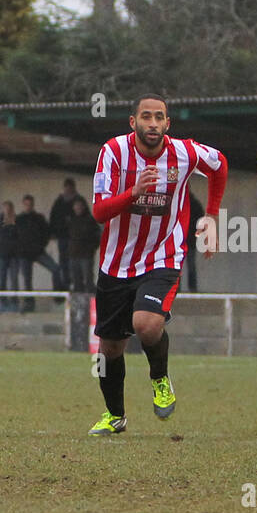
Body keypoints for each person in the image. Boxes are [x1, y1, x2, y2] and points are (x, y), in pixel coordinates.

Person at [87, 93, 226, 435]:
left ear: (167, 123)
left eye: (159, 117)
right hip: (116, 263)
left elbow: (219, 164)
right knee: (110, 347)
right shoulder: (113, 152)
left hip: (163, 254)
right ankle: (115, 415)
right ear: (133, 122)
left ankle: (160, 377)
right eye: (146, 117)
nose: (153, 123)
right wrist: (132, 193)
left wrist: (210, 215)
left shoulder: (184, 152)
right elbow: (100, 211)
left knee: (147, 324)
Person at [15, 194, 60, 304]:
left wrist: (41, 246)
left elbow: (46, 233)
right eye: (26, 204)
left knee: (55, 269)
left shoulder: (39, 218)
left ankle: (58, 298)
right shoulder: (19, 219)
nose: (28, 207)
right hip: (24, 254)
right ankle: (29, 303)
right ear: (23, 205)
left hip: (38, 252)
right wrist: (19, 249)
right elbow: (14, 236)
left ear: (33, 205)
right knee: (27, 280)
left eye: (30, 204)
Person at [50, 178, 86, 289]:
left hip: (75, 239)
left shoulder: (79, 200)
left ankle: (76, 286)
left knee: (74, 263)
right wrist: (53, 232)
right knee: (63, 262)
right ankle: (65, 284)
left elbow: (86, 219)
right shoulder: (59, 202)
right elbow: (53, 218)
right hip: (62, 237)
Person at [65, 196, 99, 292]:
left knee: (88, 280)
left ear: (83, 207)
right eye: (76, 206)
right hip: (73, 255)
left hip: (86, 255)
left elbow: (96, 236)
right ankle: (78, 305)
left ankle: (90, 304)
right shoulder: (71, 220)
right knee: (76, 281)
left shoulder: (90, 220)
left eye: (80, 206)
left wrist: (91, 249)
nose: (78, 208)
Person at [0, 201, 19, 310]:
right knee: (2, 280)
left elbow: (20, 237)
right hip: (2, 256)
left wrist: (16, 249)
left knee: (14, 280)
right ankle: (3, 303)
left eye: (9, 208)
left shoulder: (16, 222)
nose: (7, 211)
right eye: (5, 208)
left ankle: (14, 303)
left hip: (14, 256)